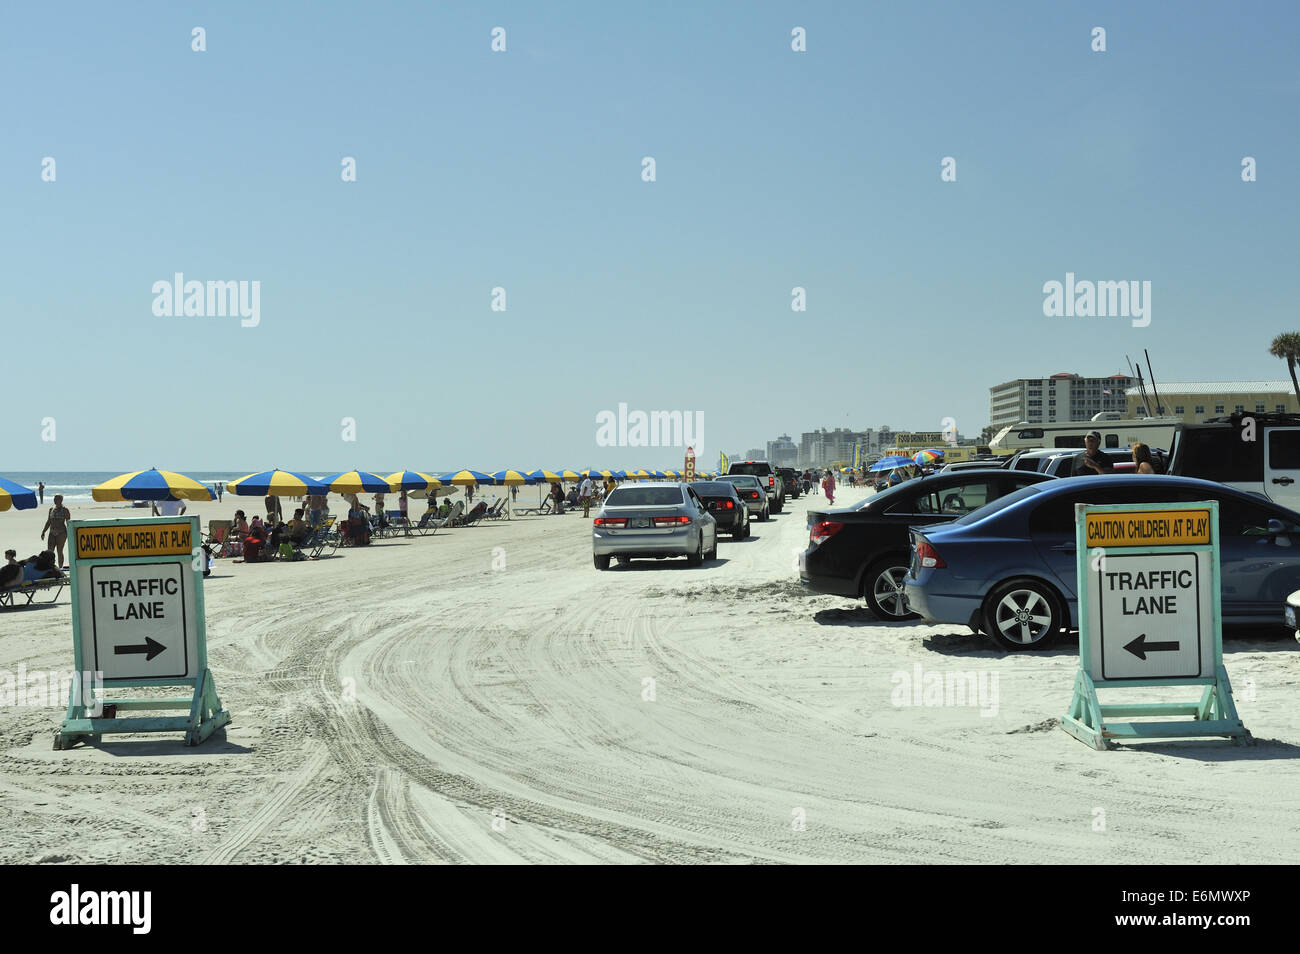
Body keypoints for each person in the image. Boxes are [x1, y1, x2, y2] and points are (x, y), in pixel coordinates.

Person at [40, 495, 71, 567]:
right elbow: (48, 521)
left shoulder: (65, 510)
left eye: (56, 499)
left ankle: (60, 568)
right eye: (54, 498)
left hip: (61, 532)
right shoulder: (51, 509)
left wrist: (69, 533)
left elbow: (68, 522)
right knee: (49, 552)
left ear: (61, 500)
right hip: (52, 532)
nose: (54, 500)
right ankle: (50, 567)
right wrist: (43, 531)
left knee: (59, 551)